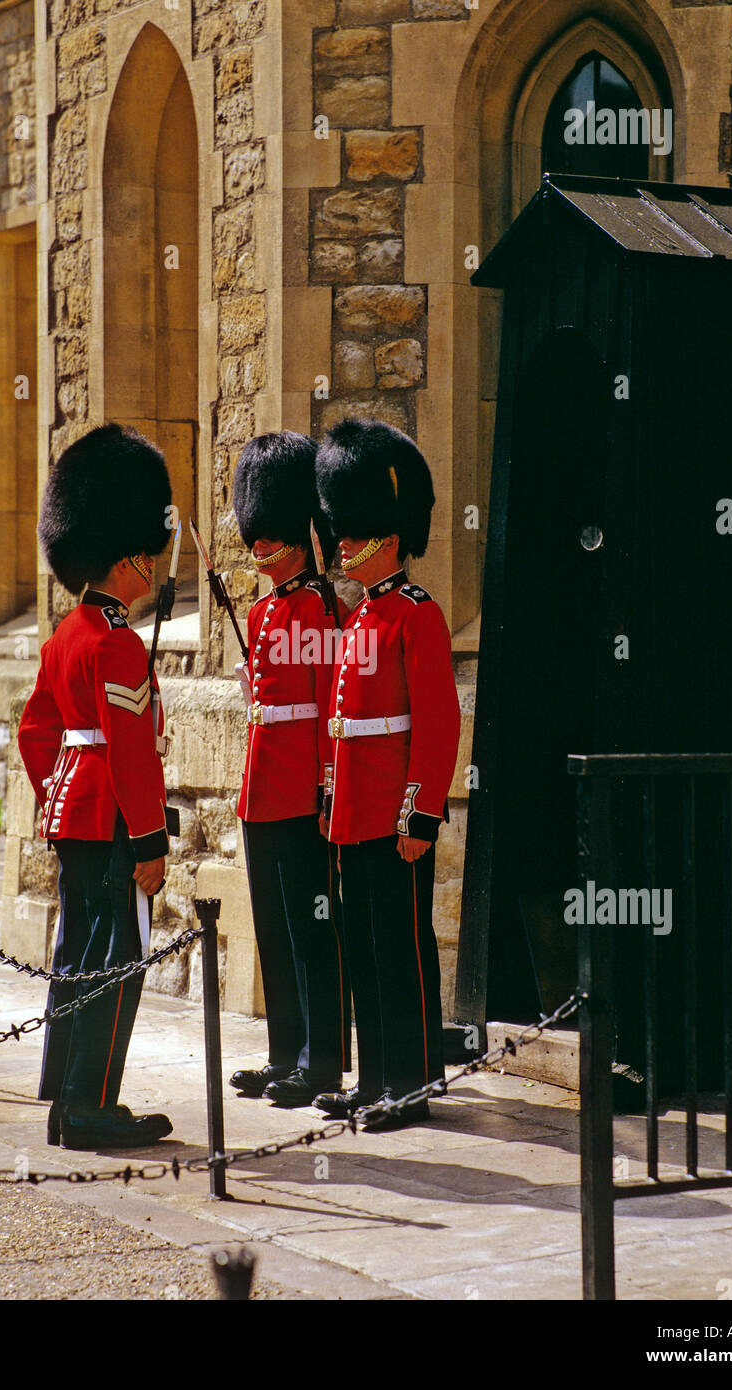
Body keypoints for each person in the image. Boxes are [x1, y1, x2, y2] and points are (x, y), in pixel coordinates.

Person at [18, 423, 175, 1150]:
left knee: (77, 952)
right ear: (130, 559)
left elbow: (35, 733)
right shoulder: (116, 642)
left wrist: (59, 791)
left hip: (73, 813)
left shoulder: (66, 635)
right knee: (117, 959)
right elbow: (133, 752)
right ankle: (92, 1106)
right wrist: (150, 840)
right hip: (114, 821)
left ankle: (64, 1097)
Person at [313, 418, 461, 1130]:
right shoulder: (360, 619)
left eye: (355, 532)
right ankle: (372, 1077)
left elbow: (436, 725)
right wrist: (332, 800)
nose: (341, 544)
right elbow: (345, 726)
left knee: (400, 951)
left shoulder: (416, 617)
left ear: (390, 537)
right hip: (353, 814)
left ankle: (408, 1084)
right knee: (364, 953)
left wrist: (420, 813)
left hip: (393, 815)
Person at [228, 431, 351, 1107]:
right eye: (256, 533)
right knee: (274, 929)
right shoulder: (262, 609)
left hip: (302, 789)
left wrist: (328, 789)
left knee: (312, 930)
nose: (258, 545)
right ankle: (284, 1055)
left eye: (269, 533)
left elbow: (332, 705)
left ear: (298, 534)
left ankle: (323, 1062)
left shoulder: (320, 607)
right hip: (261, 790)